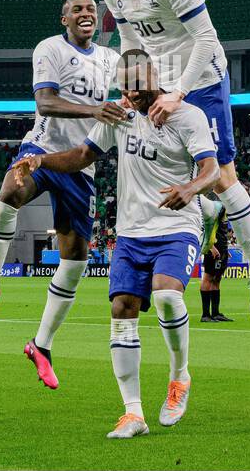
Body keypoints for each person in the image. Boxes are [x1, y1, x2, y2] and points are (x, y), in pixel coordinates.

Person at [12, 50, 219, 437]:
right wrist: (40, 161)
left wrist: (190, 189)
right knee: (121, 312)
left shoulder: (186, 116)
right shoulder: (118, 115)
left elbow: (210, 170)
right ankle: (133, 413)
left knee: (167, 297)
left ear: (154, 75)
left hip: (177, 225)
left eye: (139, 85)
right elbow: (80, 157)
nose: (132, 93)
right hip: (131, 232)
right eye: (125, 85)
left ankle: (179, 378)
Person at [91, 0, 250, 320]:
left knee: (224, 177)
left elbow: (206, 39)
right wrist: (131, 79)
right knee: (160, 161)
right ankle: (203, 210)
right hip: (160, 79)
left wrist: (179, 94)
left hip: (202, 78)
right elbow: (130, 38)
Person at [0, 0, 122, 347]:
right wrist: (95, 111)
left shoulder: (110, 59)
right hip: (42, 148)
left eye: (91, 10)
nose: (86, 14)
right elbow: (45, 101)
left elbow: (133, 87)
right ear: (64, 19)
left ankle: (42, 345)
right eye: (77, 10)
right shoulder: (49, 48)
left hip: (82, 163)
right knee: (10, 191)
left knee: (75, 260)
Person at [200, 201, 232, 322]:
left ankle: (216, 313)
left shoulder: (224, 209)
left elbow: (220, 230)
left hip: (222, 248)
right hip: (213, 248)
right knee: (208, 277)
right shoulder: (215, 208)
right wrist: (211, 246)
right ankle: (205, 314)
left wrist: (225, 249)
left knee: (217, 279)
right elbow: (204, 228)